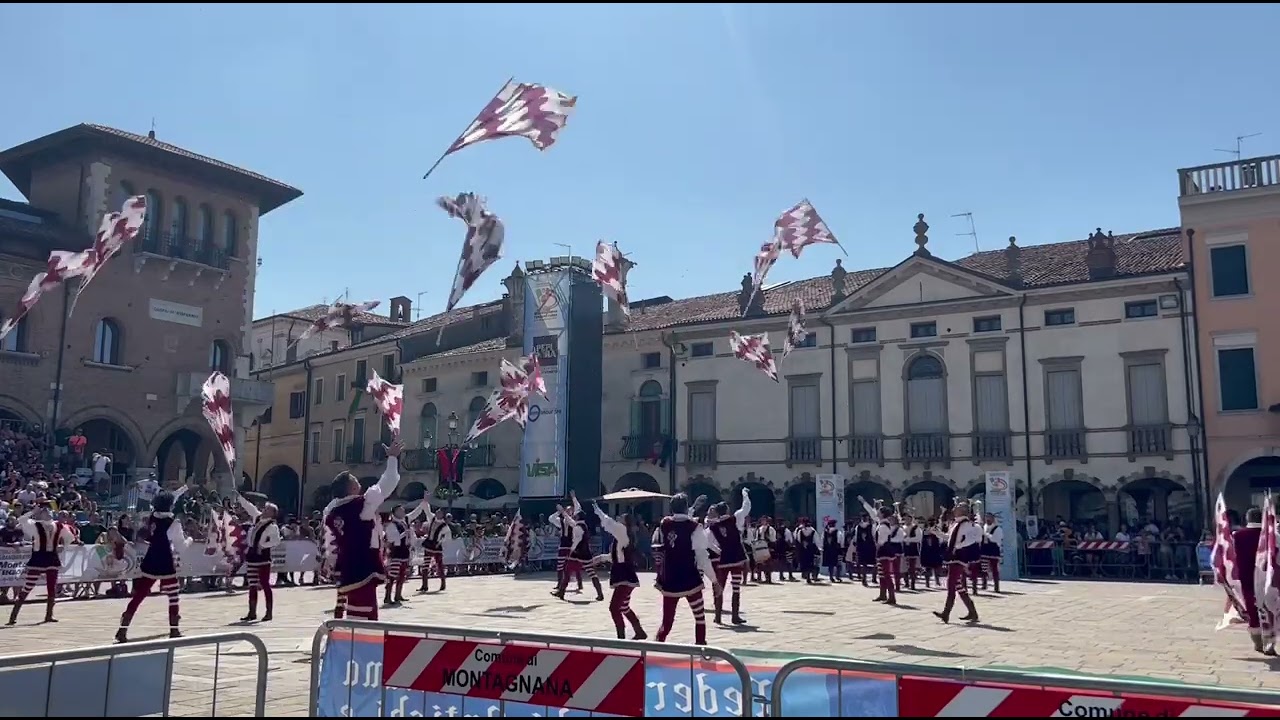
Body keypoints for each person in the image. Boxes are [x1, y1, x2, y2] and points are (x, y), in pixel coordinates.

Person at [323, 441, 402, 621]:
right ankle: (364, 644)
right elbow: (387, 484)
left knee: (354, 607)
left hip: (347, 565)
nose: (360, 484)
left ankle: (354, 640)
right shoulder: (361, 506)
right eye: (356, 482)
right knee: (366, 611)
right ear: (351, 488)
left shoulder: (331, 512)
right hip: (364, 564)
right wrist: (392, 458)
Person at [117, 487, 191, 642]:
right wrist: (190, 539)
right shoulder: (174, 523)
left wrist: (182, 489)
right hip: (166, 562)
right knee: (173, 596)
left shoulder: (153, 518)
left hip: (151, 560)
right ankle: (174, 629)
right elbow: (182, 546)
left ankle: (123, 628)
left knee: (139, 595)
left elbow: (168, 500)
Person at [652, 493, 718, 645]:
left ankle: (656, 647)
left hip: (669, 578)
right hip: (690, 578)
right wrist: (714, 580)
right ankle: (700, 647)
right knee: (699, 617)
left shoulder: (664, 524)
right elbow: (702, 557)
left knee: (667, 621)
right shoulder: (694, 527)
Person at [7, 503, 76, 625]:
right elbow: (21, 520)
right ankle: (13, 616)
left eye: (48, 510)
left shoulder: (59, 526)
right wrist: (33, 511)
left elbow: (70, 537)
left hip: (51, 558)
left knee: (52, 587)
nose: (47, 512)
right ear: (40, 514)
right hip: (38, 558)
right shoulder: (35, 525)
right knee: (28, 586)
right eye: (44, 510)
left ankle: (49, 615)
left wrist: (63, 546)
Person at [593, 502, 646, 640]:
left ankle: (621, 637)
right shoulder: (622, 536)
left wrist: (598, 510)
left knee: (614, 608)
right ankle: (639, 632)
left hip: (624, 577)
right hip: (625, 575)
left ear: (625, 522)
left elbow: (609, 522)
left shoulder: (622, 531)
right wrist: (601, 558)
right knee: (623, 607)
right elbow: (618, 556)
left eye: (621, 517)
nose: (618, 518)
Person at [707, 488, 751, 625]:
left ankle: (718, 616)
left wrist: (719, 551)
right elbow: (746, 507)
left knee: (720, 586)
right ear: (726, 510)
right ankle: (735, 616)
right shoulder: (735, 519)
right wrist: (745, 494)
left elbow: (707, 542)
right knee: (736, 587)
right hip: (737, 558)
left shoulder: (713, 526)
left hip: (723, 560)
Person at [235, 492, 280, 622]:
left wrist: (263, 545)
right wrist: (239, 497)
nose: (264, 511)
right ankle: (252, 612)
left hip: (263, 557)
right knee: (252, 584)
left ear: (272, 513)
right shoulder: (258, 518)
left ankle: (268, 612)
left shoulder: (272, 526)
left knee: (265, 584)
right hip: (252, 556)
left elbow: (276, 541)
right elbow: (250, 507)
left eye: (267, 510)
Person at [935, 501, 981, 624]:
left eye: (958, 507)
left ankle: (946, 613)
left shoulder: (967, 524)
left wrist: (958, 546)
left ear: (964, 510)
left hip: (959, 557)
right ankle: (972, 612)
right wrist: (937, 533)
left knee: (951, 585)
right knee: (958, 585)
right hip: (953, 556)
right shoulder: (955, 524)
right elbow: (949, 538)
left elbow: (971, 540)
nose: (955, 508)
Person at [1233, 507, 1266, 653]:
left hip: (1247, 576)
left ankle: (1258, 642)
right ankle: (1270, 641)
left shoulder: (1238, 535)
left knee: (1252, 608)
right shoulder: (1270, 535)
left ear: (1248, 518)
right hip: (1267, 576)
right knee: (1270, 608)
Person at [383, 500, 428, 605]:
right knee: (392, 575)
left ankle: (398, 595)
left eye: (403, 510)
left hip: (405, 551)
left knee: (403, 574)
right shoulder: (391, 524)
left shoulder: (405, 520)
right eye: (400, 510)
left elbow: (416, 512)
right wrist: (404, 534)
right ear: (394, 512)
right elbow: (392, 539)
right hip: (396, 552)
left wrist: (424, 501)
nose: (402, 512)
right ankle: (387, 596)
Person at [417, 503, 452, 593]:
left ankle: (443, 583)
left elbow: (448, 537)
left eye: (440, 512)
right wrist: (425, 501)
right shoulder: (432, 518)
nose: (437, 513)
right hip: (428, 545)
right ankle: (424, 585)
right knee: (425, 565)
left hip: (437, 546)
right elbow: (427, 511)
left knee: (439, 565)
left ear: (443, 515)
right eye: (437, 512)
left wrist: (440, 541)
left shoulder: (445, 526)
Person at [981, 512, 1004, 594]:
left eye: (989, 518)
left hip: (993, 550)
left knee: (994, 569)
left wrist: (987, 535)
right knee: (984, 568)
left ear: (993, 519)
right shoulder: (984, 527)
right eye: (986, 518)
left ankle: (996, 586)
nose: (987, 519)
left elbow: (996, 540)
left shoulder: (997, 529)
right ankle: (984, 584)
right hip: (984, 550)